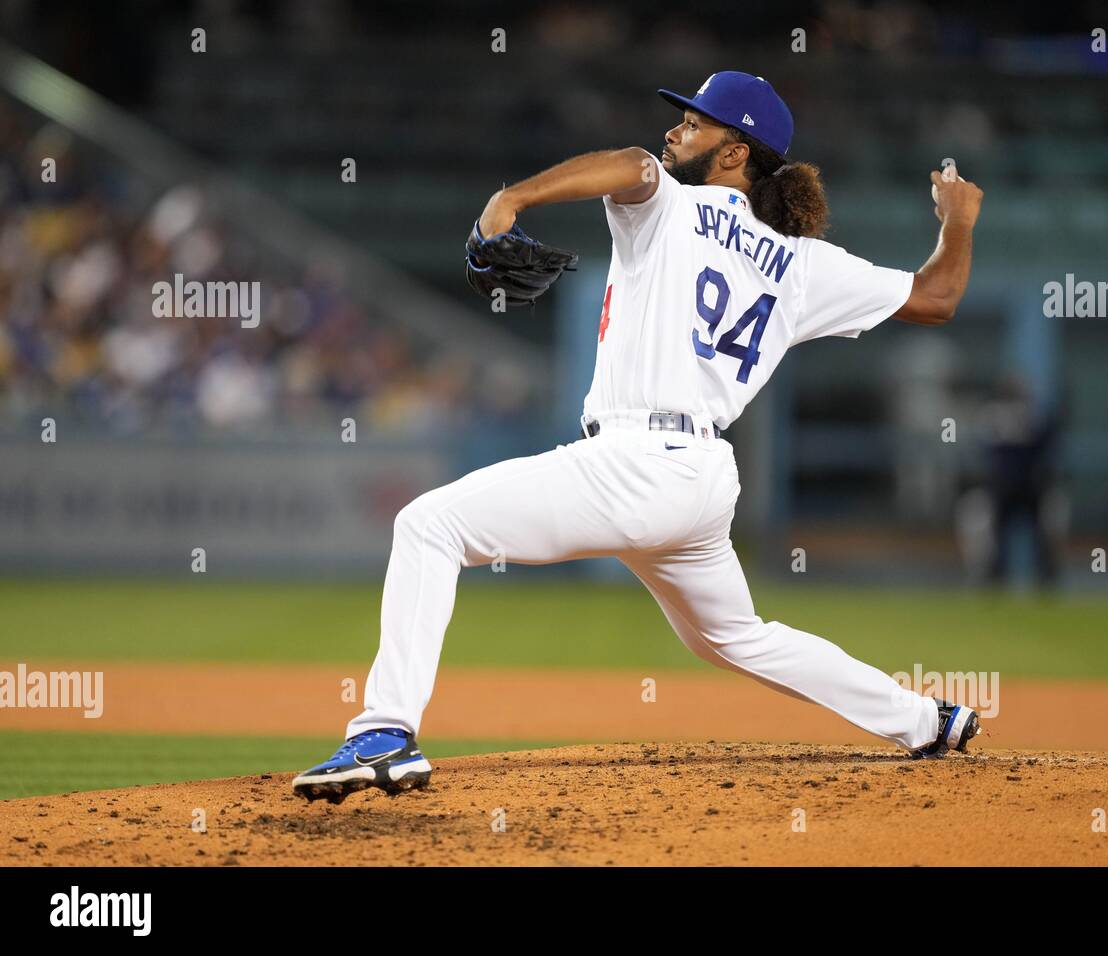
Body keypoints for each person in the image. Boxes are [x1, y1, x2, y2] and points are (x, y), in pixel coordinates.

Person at [293, 71, 985, 803]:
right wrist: (959, 223)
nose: (675, 130)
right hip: (702, 479)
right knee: (735, 637)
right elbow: (936, 297)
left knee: (428, 525)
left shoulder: (674, 208)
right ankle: (926, 720)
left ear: (734, 153)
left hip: (635, 462)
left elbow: (631, 165)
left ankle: (385, 731)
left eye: (695, 123)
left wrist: (512, 199)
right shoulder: (804, 264)